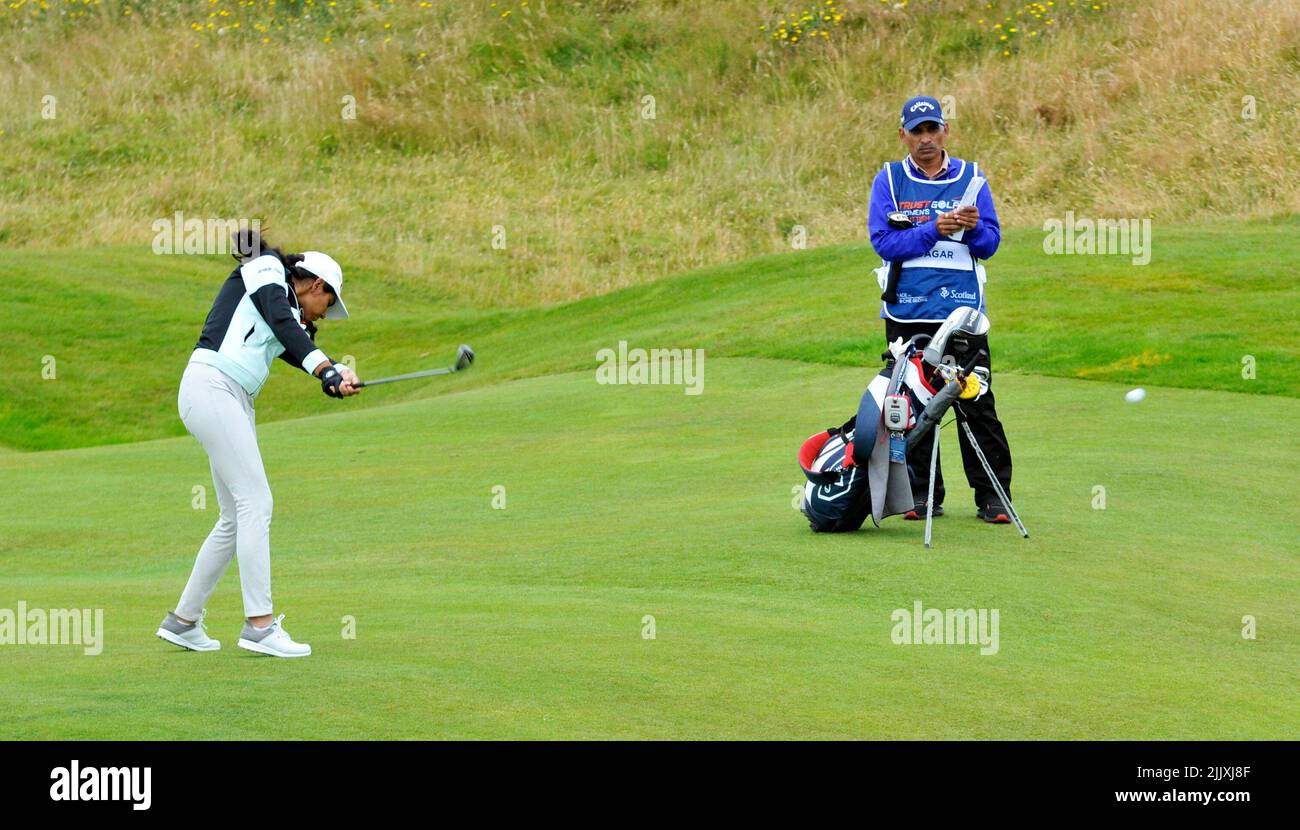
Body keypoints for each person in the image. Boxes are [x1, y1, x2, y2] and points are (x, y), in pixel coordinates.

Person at [155, 231, 361, 657]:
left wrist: (331, 370)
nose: (323, 313)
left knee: (234, 515)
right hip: (212, 386)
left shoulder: (283, 301)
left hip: (231, 397)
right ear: (316, 286)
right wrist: (324, 369)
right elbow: (284, 324)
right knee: (257, 502)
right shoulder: (267, 269)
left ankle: (183, 620)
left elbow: (288, 339)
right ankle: (259, 626)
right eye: (328, 303)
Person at [867, 96, 1015, 524]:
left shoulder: (972, 178)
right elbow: (885, 243)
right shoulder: (889, 181)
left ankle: (993, 497)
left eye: (933, 129)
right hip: (907, 311)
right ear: (903, 136)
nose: (925, 139)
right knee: (909, 408)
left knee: (976, 402)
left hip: (962, 313)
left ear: (945, 131)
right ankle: (920, 494)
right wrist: (934, 229)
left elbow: (990, 244)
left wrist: (969, 230)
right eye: (917, 132)